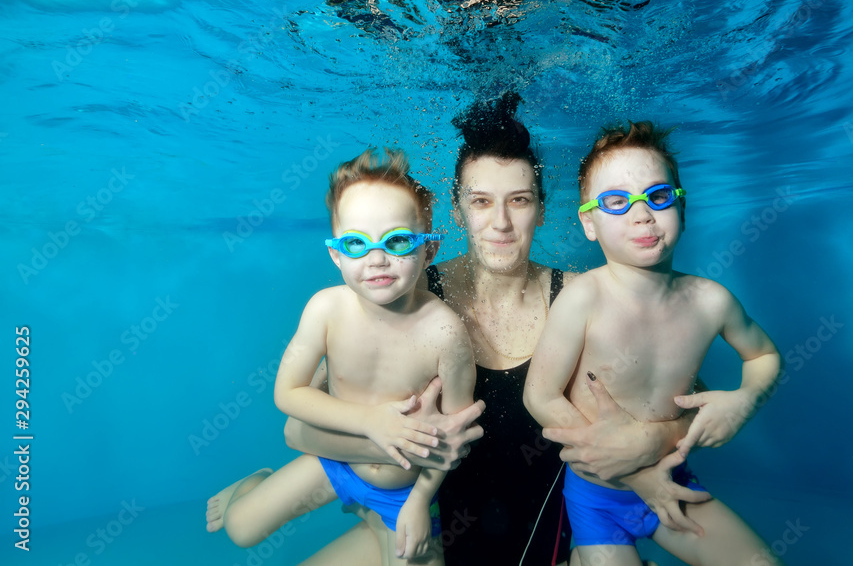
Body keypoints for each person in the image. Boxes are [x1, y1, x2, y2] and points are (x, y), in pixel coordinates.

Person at [286, 94, 704, 565]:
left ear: (542, 210)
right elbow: (300, 431)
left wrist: (654, 441)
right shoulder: (408, 297)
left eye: (519, 201)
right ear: (457, 210)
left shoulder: (585, 297)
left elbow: (688, 397)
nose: (500, 223)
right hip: (426, 541)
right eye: (481, 202)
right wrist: (391, 439)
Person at [524, 121, 784, 566]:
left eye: (658, 196)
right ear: (589, 222)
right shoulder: (583, 297)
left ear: (682, 208)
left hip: (674, 480)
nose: (642, 214)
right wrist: (627, 465)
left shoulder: (711, 301)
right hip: (598, 495)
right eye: (617, 201)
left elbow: (764, 354)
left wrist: (745, 400)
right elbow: (540, 395)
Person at [206, 148, 476, 564]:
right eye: (356, 243)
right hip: (335, 463)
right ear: (335, 253)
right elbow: (287, 393)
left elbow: (454, 439)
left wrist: (421, 500)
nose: (376, 259)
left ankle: (375, 529)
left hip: (400, 492)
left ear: (429, 250)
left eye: (398, 240)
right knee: (240, 530)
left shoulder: (446, 333)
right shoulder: (325, 310)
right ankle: (255, 484)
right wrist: (371, 421)